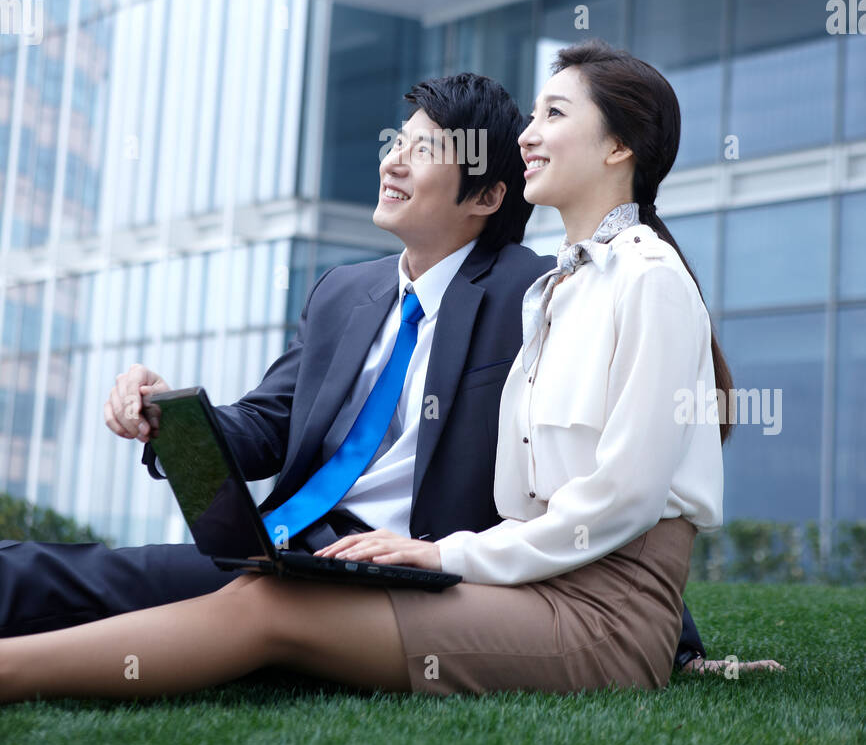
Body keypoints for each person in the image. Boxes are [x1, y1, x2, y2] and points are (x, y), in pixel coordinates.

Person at [0, 45, 781, 703]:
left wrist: (671, 635)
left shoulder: (544, 286)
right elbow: (268, 426)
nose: (393, 161)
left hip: (434, 570)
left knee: (262, 609)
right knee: (55, 575)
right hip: (305, 545)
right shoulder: (445, 291)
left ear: (488, 193)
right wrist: (163, 415)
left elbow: (635, 480)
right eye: (395, 141)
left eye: (424, 149)